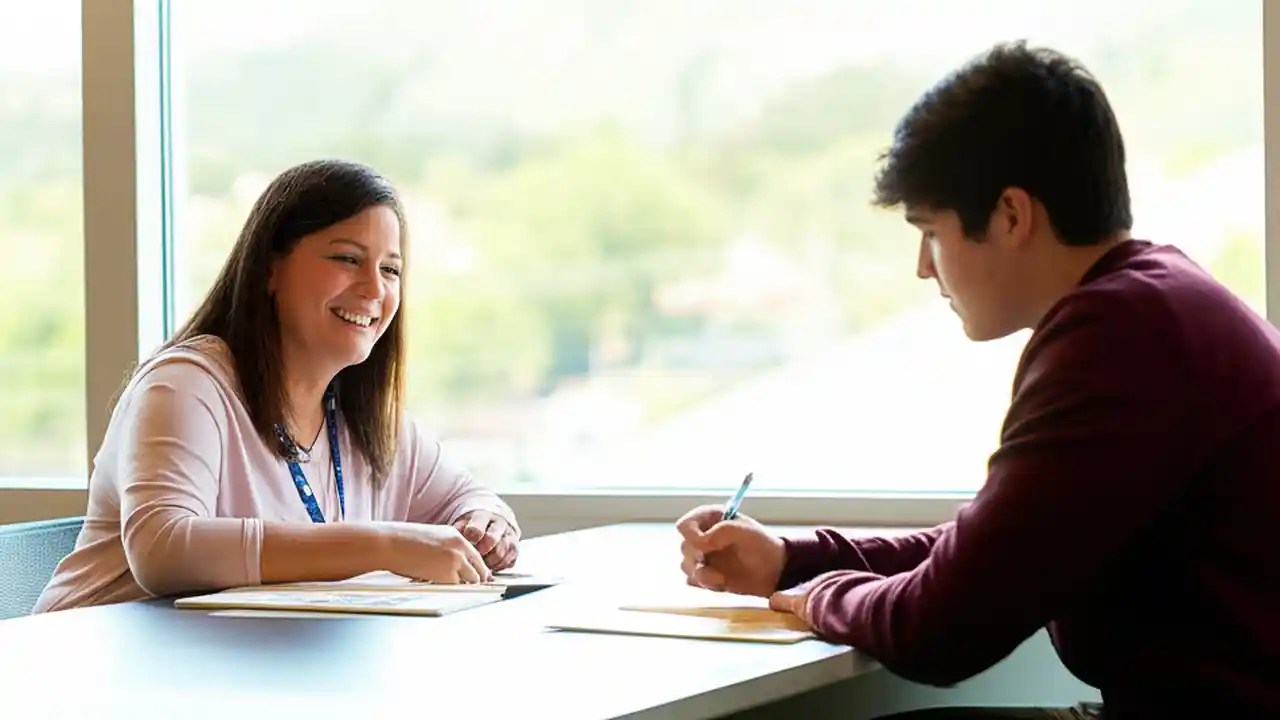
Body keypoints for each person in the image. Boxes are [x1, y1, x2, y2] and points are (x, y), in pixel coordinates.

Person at [677, 41, 1280, 719]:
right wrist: (792, 560)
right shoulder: (1155, 300)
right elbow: (992, 550)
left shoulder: (1118, 333)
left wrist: (817, 598)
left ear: (1012, 216)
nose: (923, 268)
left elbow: (941, 627)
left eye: (930, 231)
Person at [36, 159, 520, 613]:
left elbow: (469, 500)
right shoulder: (185, 385)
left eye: (390, 269)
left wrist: (487, 525)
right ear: (271, 269)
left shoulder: (361, 419)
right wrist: (388, 544)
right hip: (87, 679)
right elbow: (163, 548)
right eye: (347, 259)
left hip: (235, 677)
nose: (374, 289)